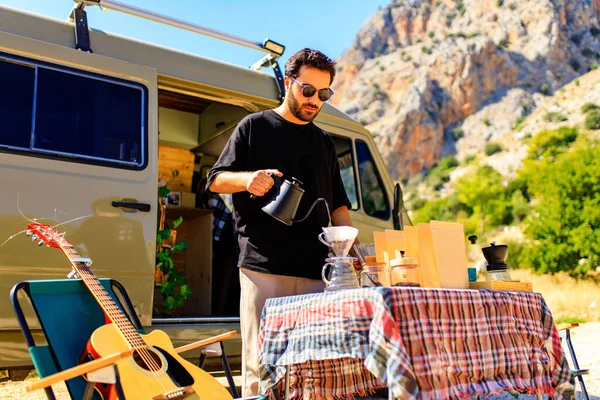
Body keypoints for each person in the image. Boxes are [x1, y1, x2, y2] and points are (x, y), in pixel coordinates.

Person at [206, 48, 355, 396]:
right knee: (261, 364)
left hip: (317, 272)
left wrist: (351, 251)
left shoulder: (324, 143)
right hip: (264, 268)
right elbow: (214, 180)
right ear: (288, 83)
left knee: (315, 366)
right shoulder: (255, 127)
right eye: (308, 90)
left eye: (324, 94)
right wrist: (247, 180)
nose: (315, 100)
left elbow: (339, 206)